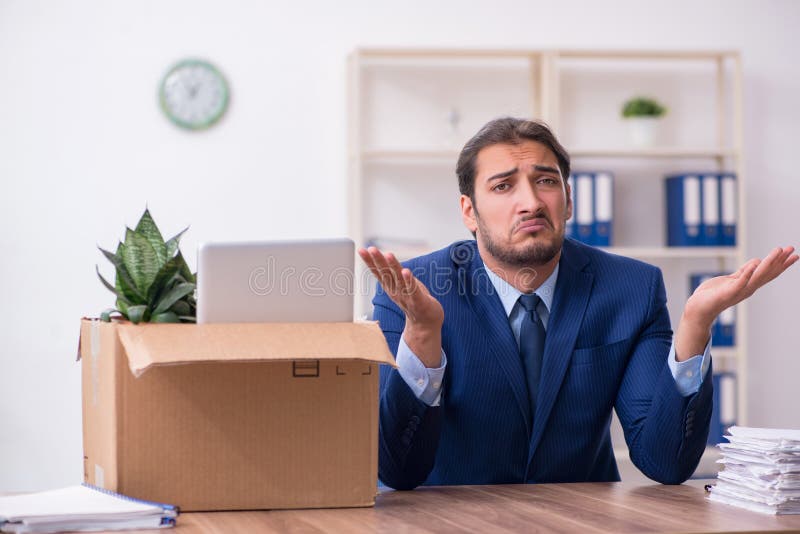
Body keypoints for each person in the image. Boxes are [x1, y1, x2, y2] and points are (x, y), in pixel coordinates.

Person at [358, 117, 798, 490]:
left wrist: (696, 323)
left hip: (583, 521)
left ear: (568, 198)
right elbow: (399, 471)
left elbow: (665, 462)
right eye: (503, 186)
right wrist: (422, 333)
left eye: (545, 181)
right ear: (469, 211)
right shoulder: (412, 292)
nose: (530, 202)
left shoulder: (631, 288)